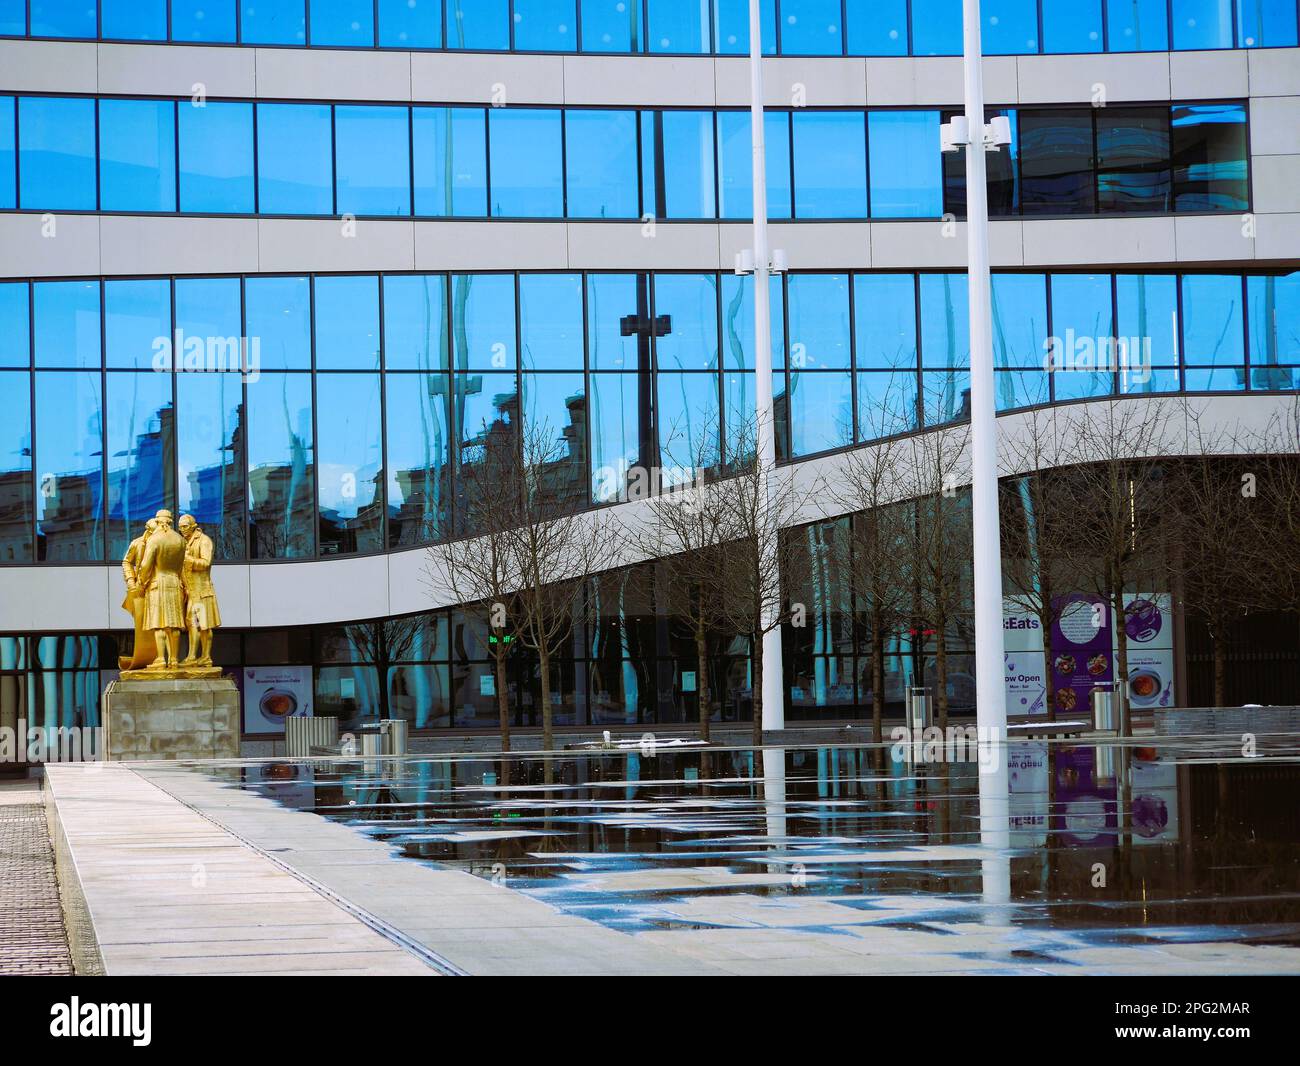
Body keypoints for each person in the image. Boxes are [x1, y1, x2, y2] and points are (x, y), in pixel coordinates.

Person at [136, 510, 188, 670]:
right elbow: (182, 566)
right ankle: (173, 659)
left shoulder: (154, 539)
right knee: (174, 624)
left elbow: (146, 565)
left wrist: (141, 582)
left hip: (157, 583)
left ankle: (161, 658)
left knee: (159, 624)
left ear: (158, 522)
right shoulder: (180, 540)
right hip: (175, 583)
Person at [179, 514, 221, 667]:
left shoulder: (204, 540)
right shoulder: (184, 542)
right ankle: (194, 656)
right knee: (192, 623)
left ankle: (204, 657)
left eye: (185, 526)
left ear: (193, 525)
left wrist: (187, 560)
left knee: (203, 624)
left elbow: (206, 562)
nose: (182, 529)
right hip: (191, 591)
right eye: (180, 527)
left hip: (202, 590)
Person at [119, 518, 159, 671]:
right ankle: (146, 657)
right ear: (148, 530)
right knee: (142, 624)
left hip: (157, 588)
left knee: (161, 623)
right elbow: (126, 561)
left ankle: (159, 657)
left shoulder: (161, 543)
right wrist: (130, 580)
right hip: (139, 589)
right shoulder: (137, 543)